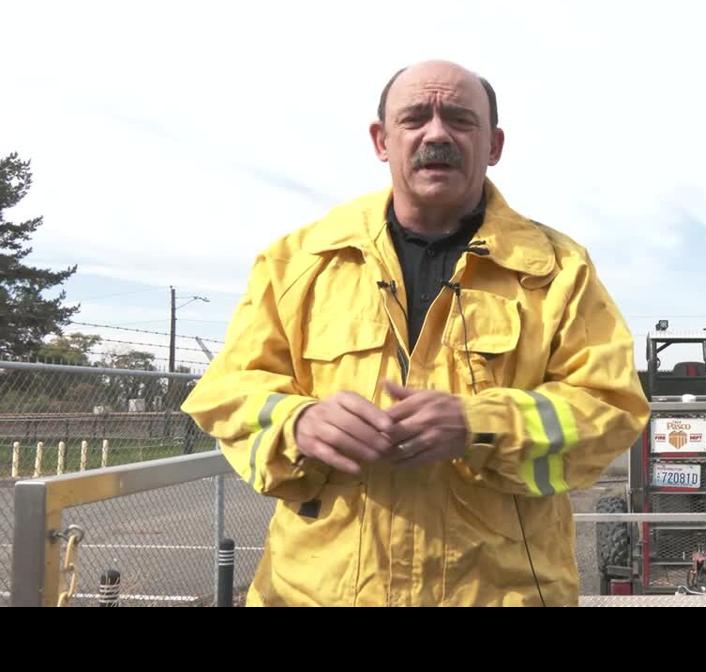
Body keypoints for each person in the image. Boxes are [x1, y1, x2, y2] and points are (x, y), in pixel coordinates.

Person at [182, 60, 649, 606]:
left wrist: (480, 424)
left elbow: (612, 407)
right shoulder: (297, 261)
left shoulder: (558, 270)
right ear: (382, 140)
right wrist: (298, 420)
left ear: (493, 144)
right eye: (414, 119)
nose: (436, 134)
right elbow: (227, 392)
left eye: (459, 119)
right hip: (316, 593)